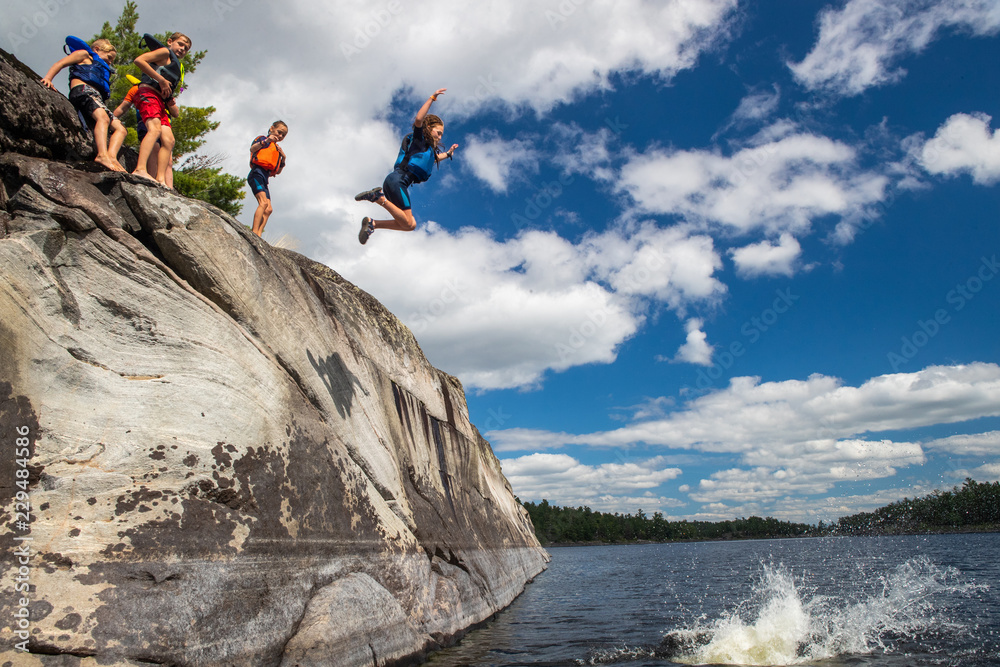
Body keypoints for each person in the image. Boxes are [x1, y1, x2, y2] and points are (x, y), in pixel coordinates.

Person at [354, 88, 458, 244]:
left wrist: (449, 153)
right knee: (409, 223)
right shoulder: (419, 139)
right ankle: (377, 197)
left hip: (395, 182)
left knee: (410, 225)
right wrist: (432, 98)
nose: (440, 136)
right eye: (439, 132)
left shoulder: (426, 149)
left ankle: (372, 223)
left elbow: (435, 158)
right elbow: (418, 120)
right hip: (398, 181)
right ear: (429, 128)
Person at [40, 37, 128, 172]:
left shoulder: (101, 65)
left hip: (96, 98)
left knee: (121, 129)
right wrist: (48, 78)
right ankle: (101, 155)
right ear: (97, 49)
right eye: (109, 57)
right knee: (103, 118)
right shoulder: (84, 55)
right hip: (83, 91)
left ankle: (111, 157)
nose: (110, 62)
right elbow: (61, 63)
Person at [132, 32, 191, 184]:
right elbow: (139, 60)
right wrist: (161, 80)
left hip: (161, 101)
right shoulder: (165, 52)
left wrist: (170, 98)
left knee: (169, 140)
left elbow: (175, 112)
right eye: (181, 44)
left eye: (186, 48)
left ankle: (160, 179)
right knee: (155, 129)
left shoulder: (177, 66)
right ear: (170, 42)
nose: (183, 49)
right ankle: (140, 169)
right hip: (148, 93)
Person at [113, 82, 178, 188]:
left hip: (165, 124)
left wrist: (171, 103)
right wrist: (112, 117)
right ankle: (151, 178)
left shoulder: (163, 90)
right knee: (155, 148)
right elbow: (123, 107)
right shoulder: (137, 88)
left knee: (169, 157)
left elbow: (176, 113)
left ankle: (168, 186)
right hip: (146, 121)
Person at [247, 121, 288, 237]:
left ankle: (259, 234)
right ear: (272, 128)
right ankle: (254, 233)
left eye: (283, 135)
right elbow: (252, 149)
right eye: (279, 132)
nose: (280, 136)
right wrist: (267, 141)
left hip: (265, 177)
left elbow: (278, 171)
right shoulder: (263, 140)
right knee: (263, 203)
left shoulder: (277, 149)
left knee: (269, 209)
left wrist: (283, 158)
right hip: (256, 173)